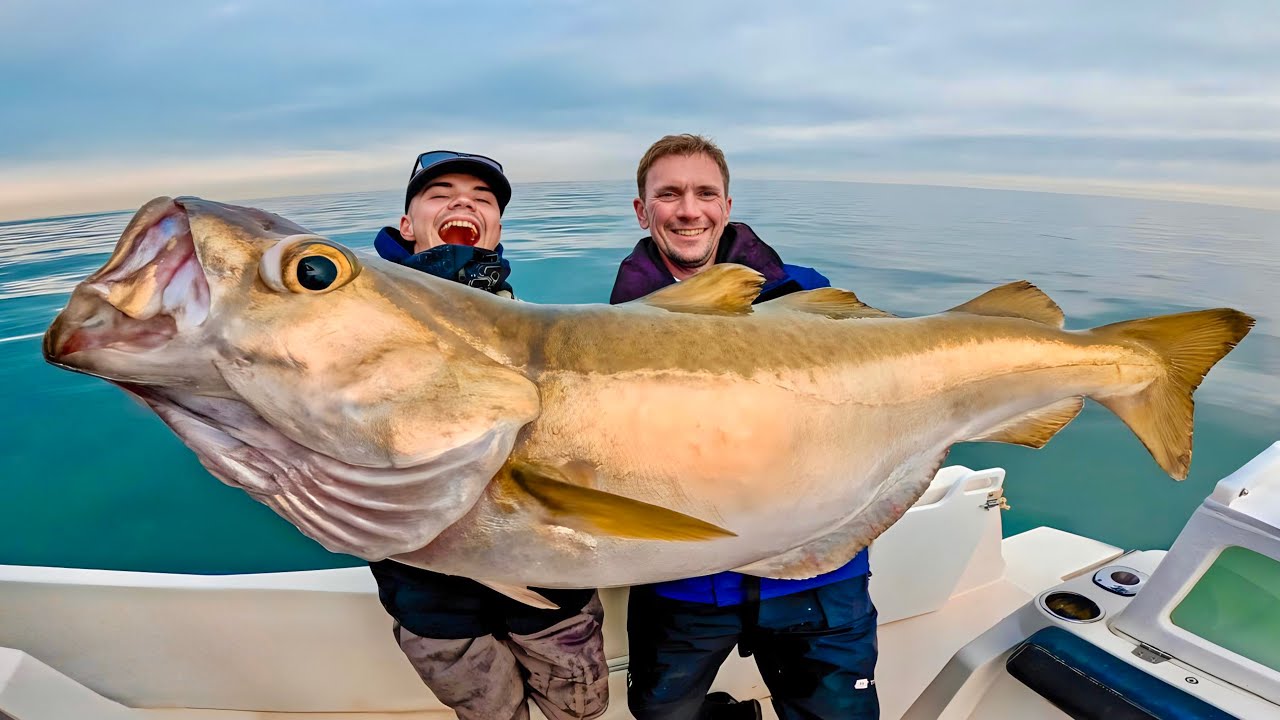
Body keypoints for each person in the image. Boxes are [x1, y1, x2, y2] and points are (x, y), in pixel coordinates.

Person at [610, 135, 880, 720]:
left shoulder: (806, 294)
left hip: (819, 570)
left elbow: (885, 388)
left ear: (727, 206)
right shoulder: (613, 331)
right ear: (642, 210)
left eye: (706, 193)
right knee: (662, 714)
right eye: (669, 194)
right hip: (681, 582)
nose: (689, 210)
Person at [369, 150, 609, 720]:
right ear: (407, 224)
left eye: (483, 199)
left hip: (549, 580)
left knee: (580, 707)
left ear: (497, 227)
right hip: (430, 592)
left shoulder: (534, 327)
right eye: (440, 192)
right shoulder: (368, 326)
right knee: (488, 712)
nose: (463, 202)